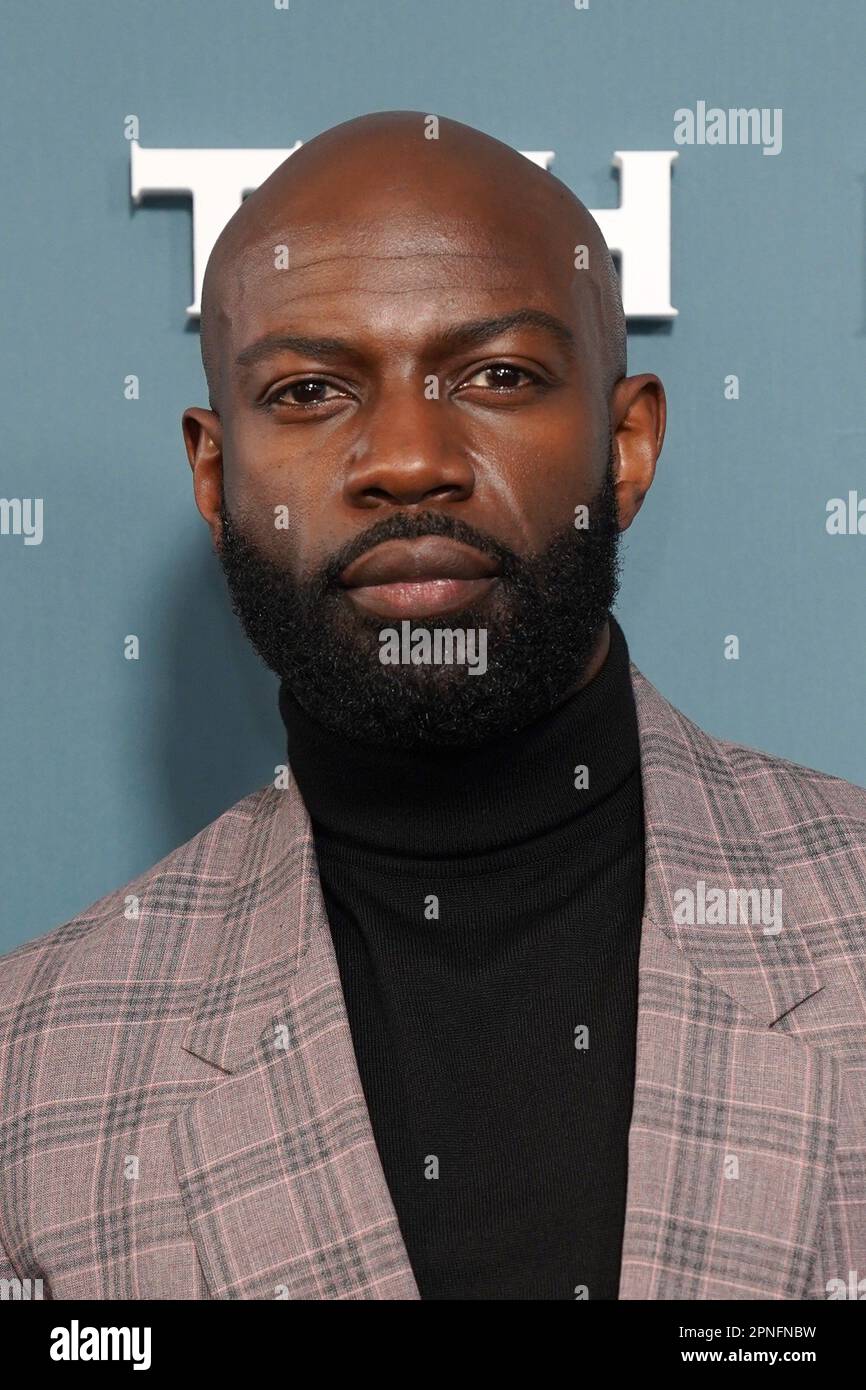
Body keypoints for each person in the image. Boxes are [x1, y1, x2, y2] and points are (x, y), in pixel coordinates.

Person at [1, 111, 863, 1301]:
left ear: (624, 445)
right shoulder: (30, 1068)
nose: (407, 457)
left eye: (496, 375)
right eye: (309, 389)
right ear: (215, 474)